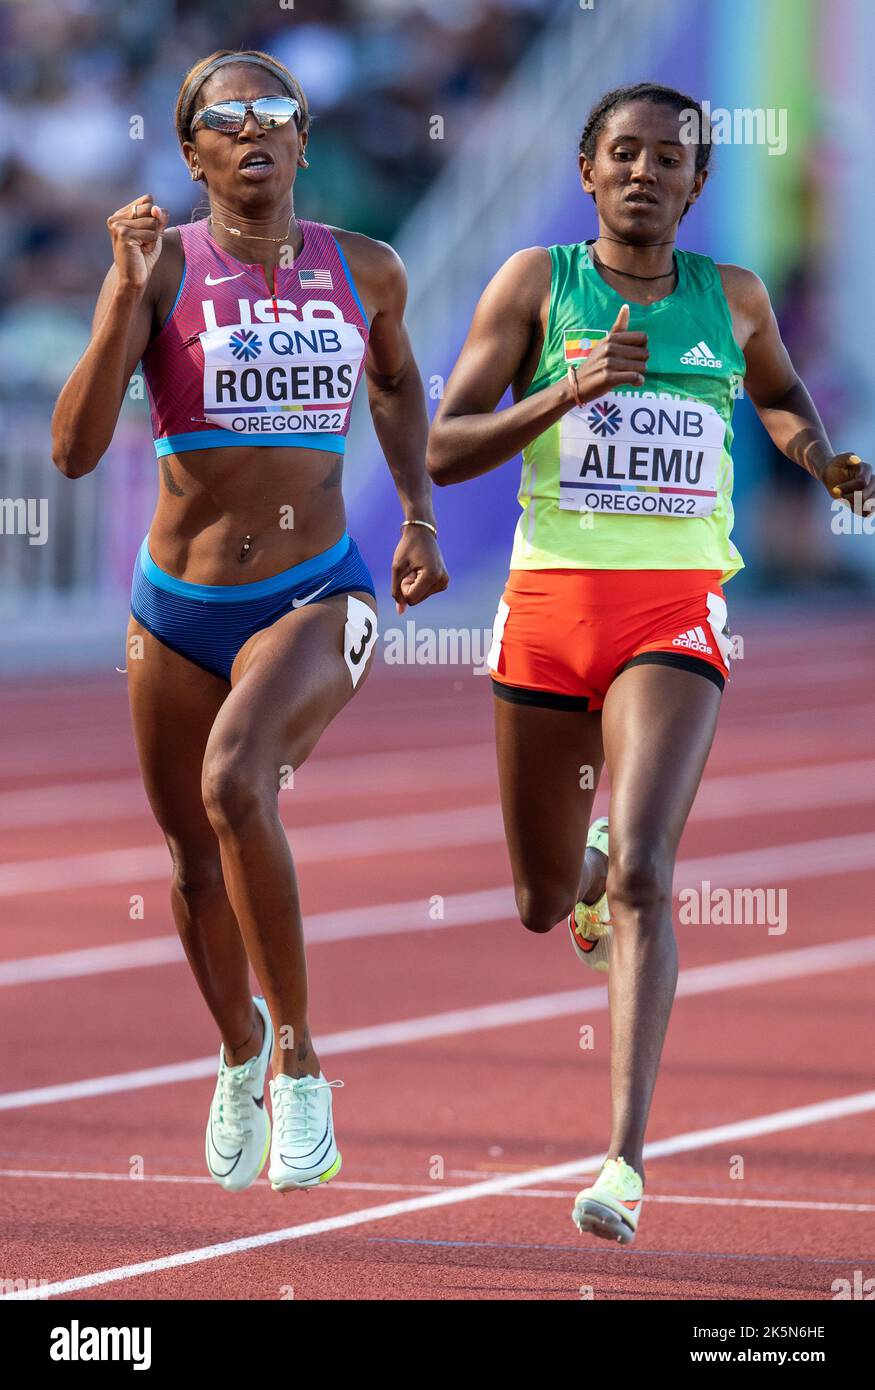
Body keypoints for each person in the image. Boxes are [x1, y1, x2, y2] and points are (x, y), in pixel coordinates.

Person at [427, 82, 872, 1245]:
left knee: (645, 874)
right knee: (540, 901)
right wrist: (569, 387)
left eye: (666, 157)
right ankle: (576, 873)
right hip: (546, 604)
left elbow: (777, 397)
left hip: (675, 606)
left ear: (693, 182)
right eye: (621, 153)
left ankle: (622, 1160)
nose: (642, 172)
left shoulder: (730, 297)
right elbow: (444, 444)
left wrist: (821, 461)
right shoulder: (535, 283)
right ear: (588, 171)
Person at [51, 49, 447, 1195]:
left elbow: (395, 381)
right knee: (187, 859)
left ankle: (303, 1062)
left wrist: (418, 512)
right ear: (192, 153)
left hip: (317, 591)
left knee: (237, 785)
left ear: (305, 142)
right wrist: (125, 292)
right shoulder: (158, 267)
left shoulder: (365, 268)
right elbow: (72, 454)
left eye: (279, 112)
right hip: (174, 610)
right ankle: (235, 1048)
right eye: (229, 118)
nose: (256, 129)